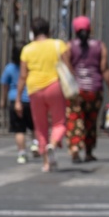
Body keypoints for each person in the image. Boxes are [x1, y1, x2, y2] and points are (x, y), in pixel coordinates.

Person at [19, 19, 68, 174]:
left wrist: (18, 98)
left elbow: (23, 76)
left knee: (40, 127)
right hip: (54, 86)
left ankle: (46, 162)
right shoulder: (58, 45)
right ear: (48, 30)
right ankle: (52, 144)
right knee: (59, 122)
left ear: (32, 32)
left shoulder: (27, 49)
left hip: (34, 88)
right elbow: (68, 67)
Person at [64, 15, 109, 164]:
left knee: (74, 118)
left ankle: (74, 148)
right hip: (95, 90)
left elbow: (67, 68)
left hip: (76, 90)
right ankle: (88, 151)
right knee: (90, 121)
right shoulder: (100, 46)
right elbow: (104, 69)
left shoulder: (69, 46)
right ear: (90, 29)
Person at [2, 52, 33, 164]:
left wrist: (3, 100)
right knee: (35, 127)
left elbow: (5, 85)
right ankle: (35, 144)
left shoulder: (9, 68)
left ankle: (22, 153)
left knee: (19, 130)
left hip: (15, 100)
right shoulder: (30, 67)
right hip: (30, 99)